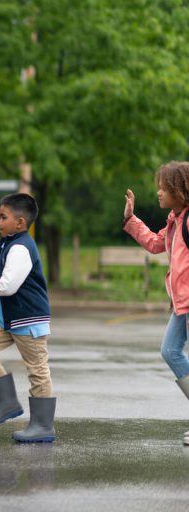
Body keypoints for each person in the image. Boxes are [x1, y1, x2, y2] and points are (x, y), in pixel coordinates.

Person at [0, 193, 56, 443]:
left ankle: (42, 425)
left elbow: (8, 286)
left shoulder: (21, 247)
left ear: (20, 223)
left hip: (28, 320)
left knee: (37, 370)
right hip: (10, 320)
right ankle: (6, 403)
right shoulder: (10, 242)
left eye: (3, 217)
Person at [123, 161, 189, 446]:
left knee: (171, 350)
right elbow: (153, 243)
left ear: (179, 190)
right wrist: (130, 219)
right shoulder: (175, 221)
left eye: (164, 188)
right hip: (181, 304)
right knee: (170, 350)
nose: (159, 193)